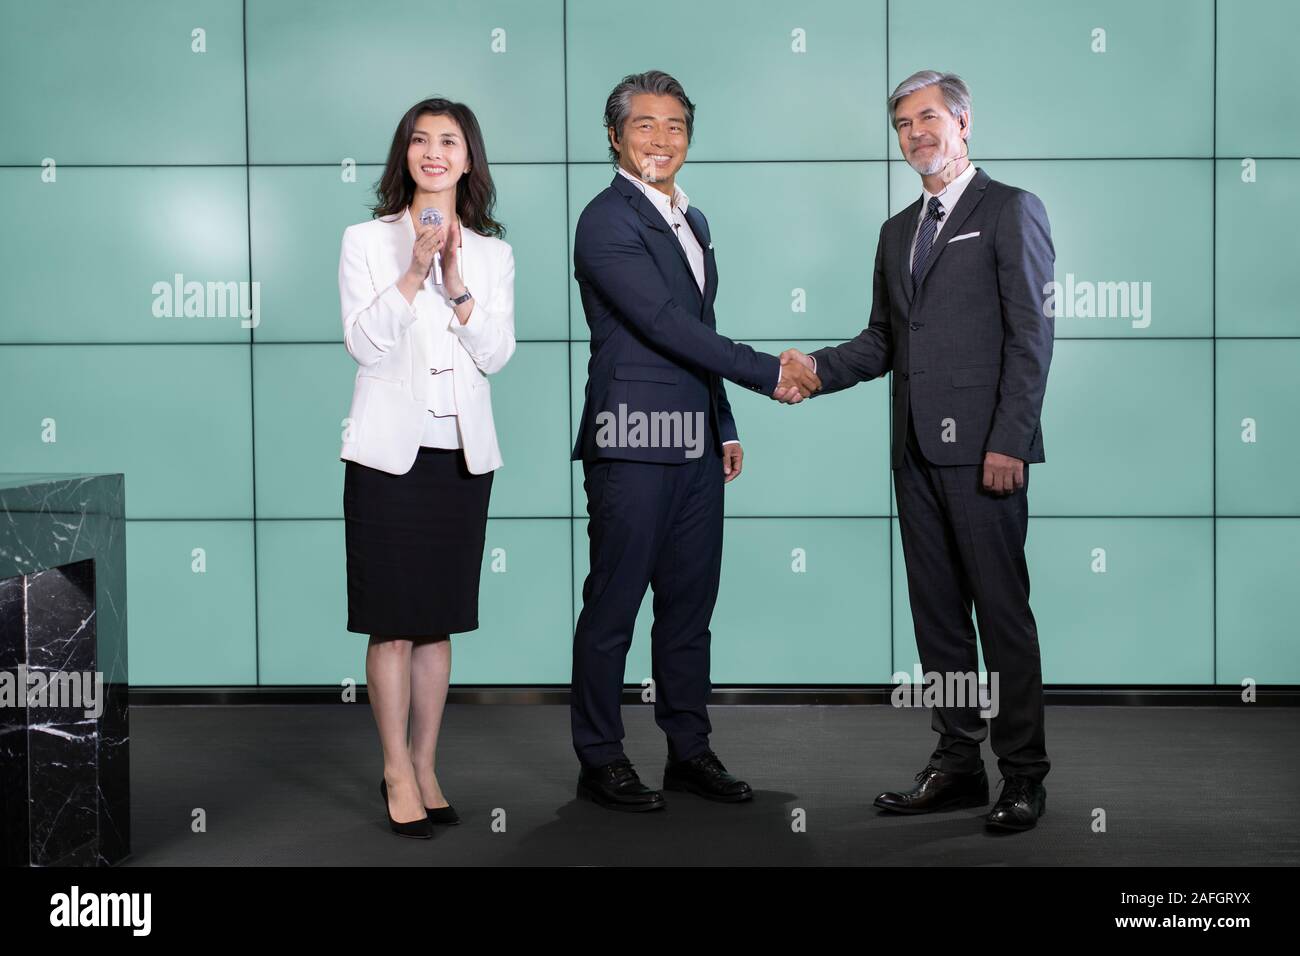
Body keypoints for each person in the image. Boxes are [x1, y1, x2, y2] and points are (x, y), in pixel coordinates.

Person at [783, 70, 1055, 831]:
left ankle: (1025, 776)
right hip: (915, 458)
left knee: (1002, 619)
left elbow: (1032, 338)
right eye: (903, 124)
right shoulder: (897, 231)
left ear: (964, 122)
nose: (917, 134)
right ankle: (958, 763)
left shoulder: (1009, 211)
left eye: (929, 118)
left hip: (985, 458)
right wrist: (811, 372)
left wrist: (1010, 441)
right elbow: (883, 341)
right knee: (937, 622)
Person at [569, 69, 821, 812]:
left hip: (694, 442)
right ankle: (600, 757)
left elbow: (697, 332)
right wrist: (767, 374)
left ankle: (689, 750)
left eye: (675, 125)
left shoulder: (694, 219)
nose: (661, 138)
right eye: (645, 124)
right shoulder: (605, 220)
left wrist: (724, 423)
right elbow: (663, 325)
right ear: (615, 136)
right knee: (613, 605)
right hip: (631, 437)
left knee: (688, 607)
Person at [338, 97, 516, 838]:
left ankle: (427, 761)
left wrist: (456, 280)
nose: (433, 152)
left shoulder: (495, 253)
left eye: (449, 141)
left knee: (438, 624)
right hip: (387, 456)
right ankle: (394, 769)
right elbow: (364, 345)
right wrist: (413, 272)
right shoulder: (364, 239)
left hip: (461, 458)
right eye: (420, 140)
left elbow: (497, 355)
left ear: (469, 159)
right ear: (404, 154)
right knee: (392, 624)